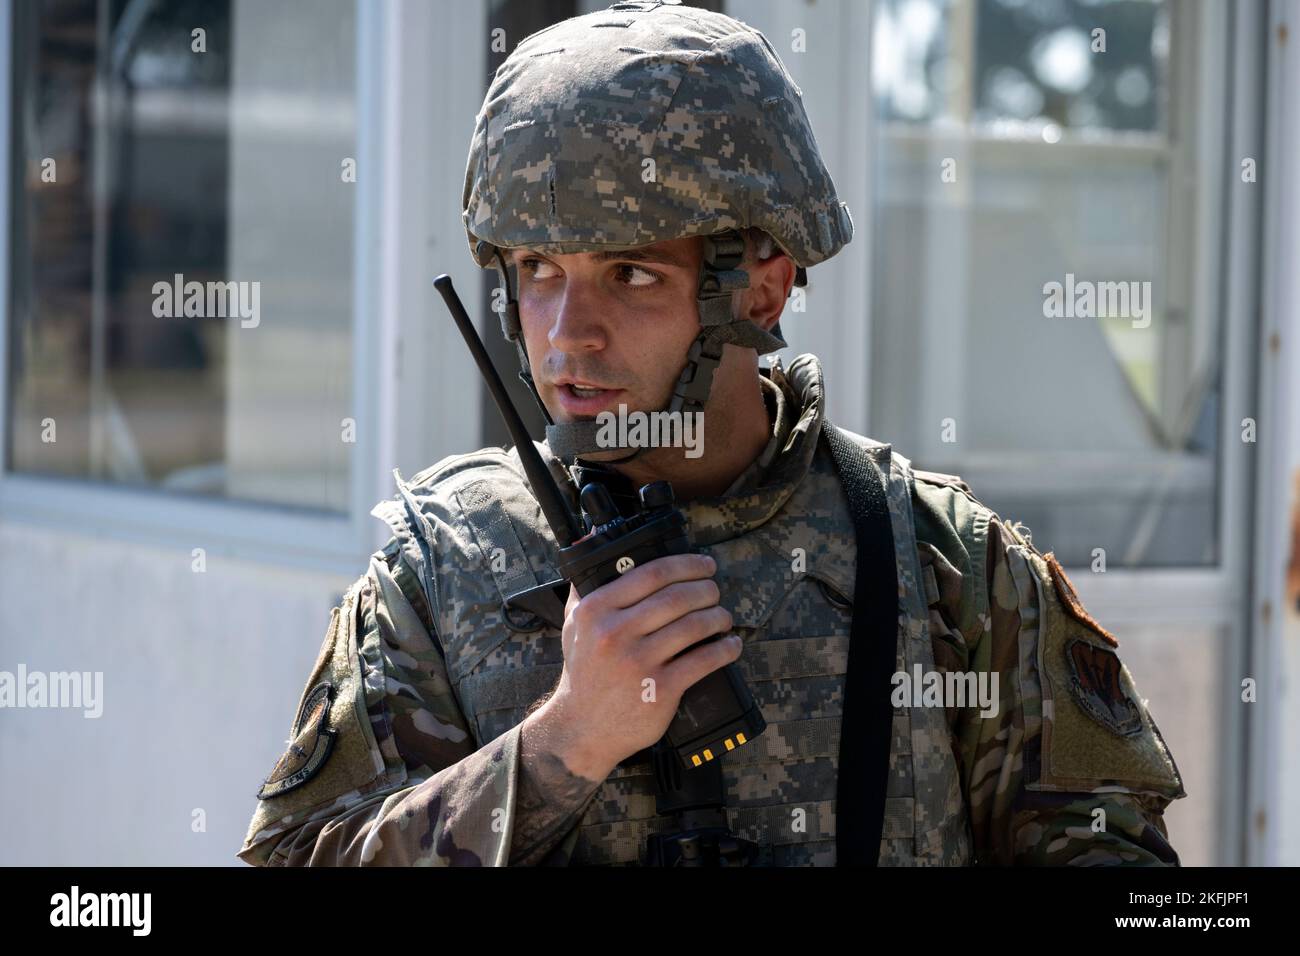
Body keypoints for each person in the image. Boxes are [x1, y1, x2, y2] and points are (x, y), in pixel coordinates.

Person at [237, 0, 1184, 867]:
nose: (568, 334)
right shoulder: (438, 572)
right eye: (537, 269)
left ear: (762, 287)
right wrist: (566, 742)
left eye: (631, 275)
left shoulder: (948, 567)